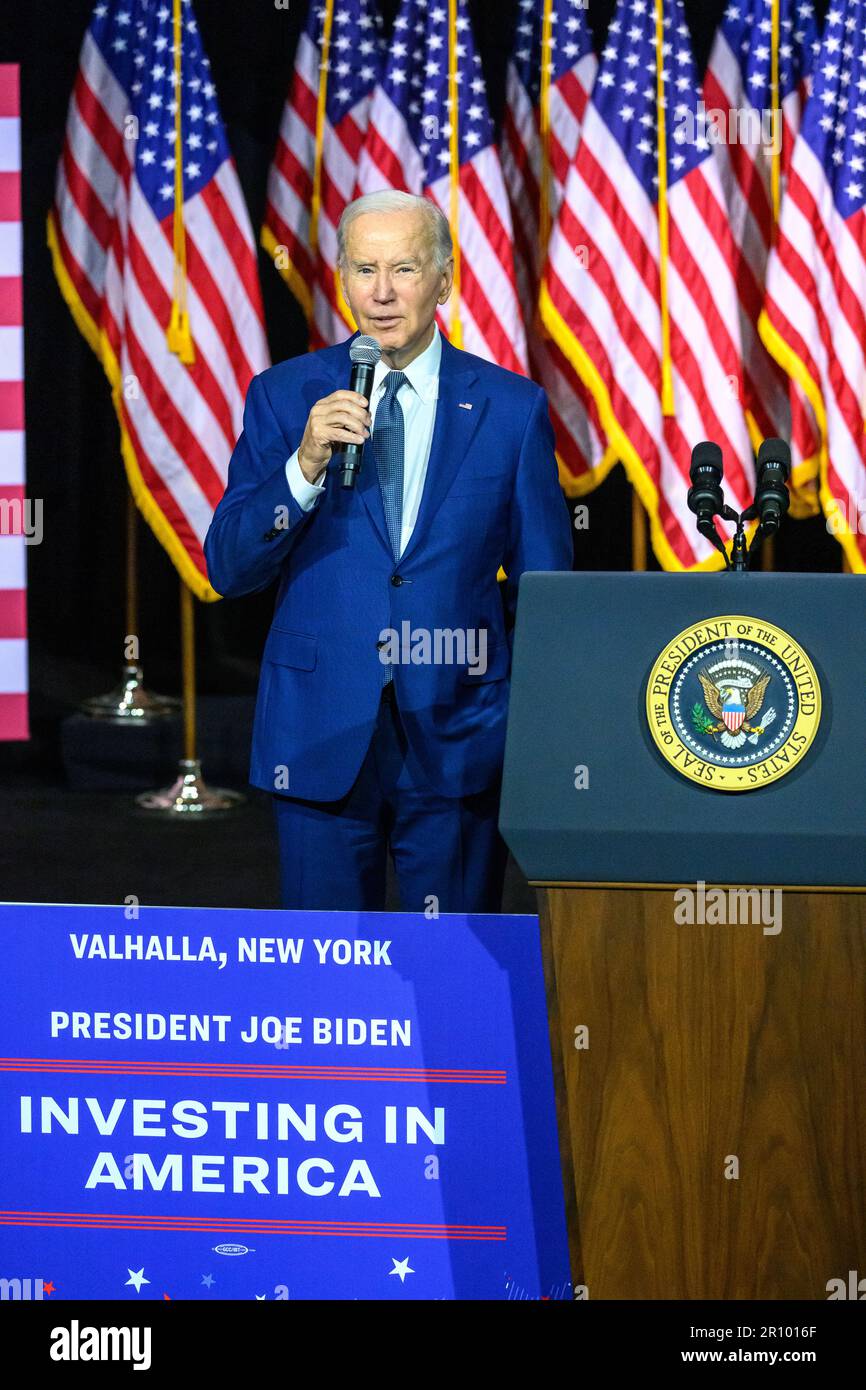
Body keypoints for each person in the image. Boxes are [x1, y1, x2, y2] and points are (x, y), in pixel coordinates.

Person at [204, 190, 572, 912]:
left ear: (444, 277)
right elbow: (229, 564)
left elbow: (548, 593)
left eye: (403, 269)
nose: (380, 293)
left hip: (459, 735)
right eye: (363, 269)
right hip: (319, 730)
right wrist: (303, 468)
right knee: (326, 982)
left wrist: (521, 731)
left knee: (457, 975)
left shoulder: (510, 408)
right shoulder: (285, 397)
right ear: (340, 275)